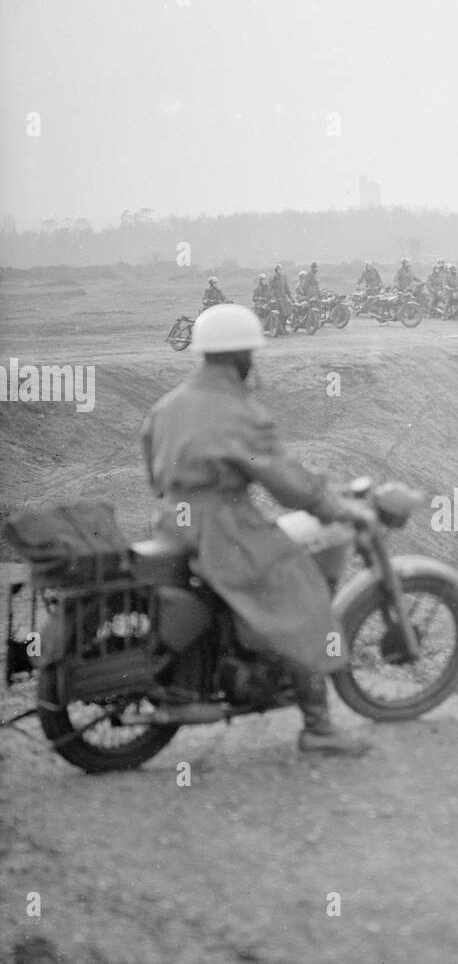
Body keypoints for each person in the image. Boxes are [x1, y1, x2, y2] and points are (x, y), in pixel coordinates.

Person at [140, 304, 375, 757]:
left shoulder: (167, 405)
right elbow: (286, 484)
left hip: (173, 521)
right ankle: (319, 728)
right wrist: (332, 505)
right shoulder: (240, 411)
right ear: (242, 356)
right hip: (221, 525)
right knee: (302, 596)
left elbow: (154, 477)